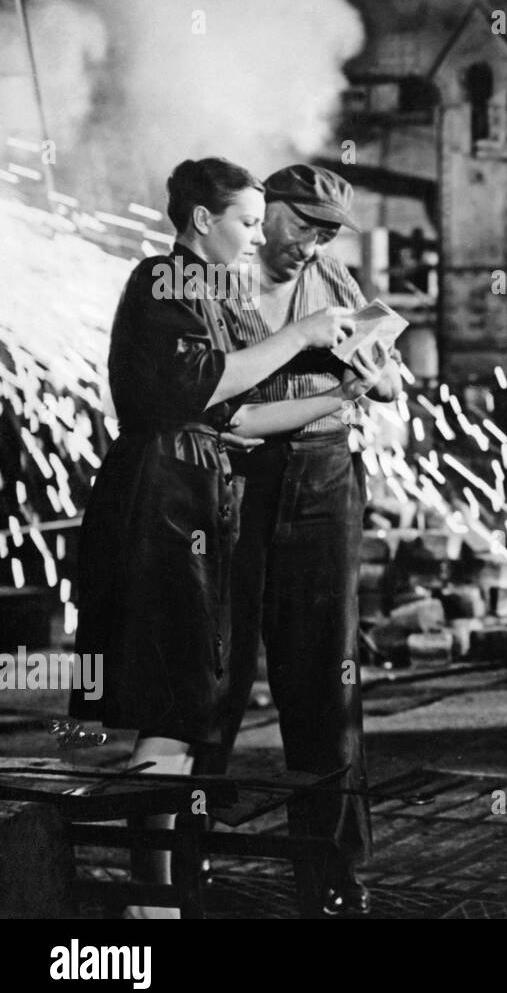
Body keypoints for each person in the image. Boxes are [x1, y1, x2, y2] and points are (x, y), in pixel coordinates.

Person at [70, 157, 376, 917]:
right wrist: (304, 335)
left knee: (189, 704)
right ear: (207, 220)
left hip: (205, 496)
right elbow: (211, 385)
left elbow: (238, 415)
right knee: (183, 702)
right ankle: (157, 899)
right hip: (169, 506)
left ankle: (167, 895)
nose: (252, 238)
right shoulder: (168, 281)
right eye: (246, 221)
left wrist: (344, 390)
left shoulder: (215, 290)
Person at [195, 165, 403, 917]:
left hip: (321, 477)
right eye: (297, 226)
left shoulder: (335, 277)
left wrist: (371, 369)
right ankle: (192, 858)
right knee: (213, 673)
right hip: (235, 476)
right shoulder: (217, 276)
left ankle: (334, 873)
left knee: (325, 680)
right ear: (262, 211)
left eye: (323, 233)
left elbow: (390, 384)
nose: (307, 245)